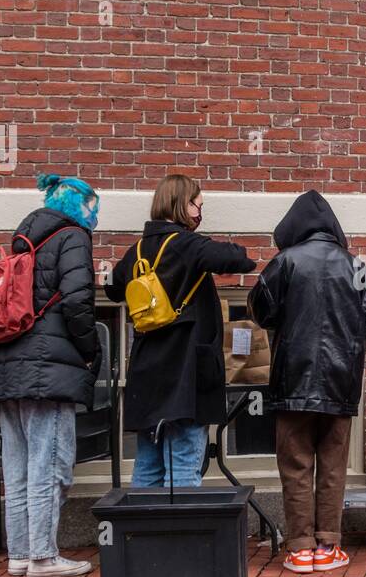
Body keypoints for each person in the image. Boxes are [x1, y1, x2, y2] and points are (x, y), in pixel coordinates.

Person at [248, 191, 366, 575]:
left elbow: (260, 310)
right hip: (341, 382)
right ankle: (328, 545)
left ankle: (299, 548)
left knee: (295, 466)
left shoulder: (284, 263)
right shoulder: (356, 265)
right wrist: (349, 344)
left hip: (291, 381)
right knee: (332, 466)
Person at [105, 174, 255, 487]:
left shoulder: (137, 251)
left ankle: (143, 535)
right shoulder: (187, 245)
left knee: (147, 469)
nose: (200, 213)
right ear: (182, 206)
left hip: (147, 376)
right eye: (198, 205)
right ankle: (180, 536)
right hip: (186, 376)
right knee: (184, 470)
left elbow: (113, 290)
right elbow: (239, 260)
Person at [0, 174, 101, 577]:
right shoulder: (73, 237)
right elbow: (77, 301)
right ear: (82, 207)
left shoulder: (25, 239)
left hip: (9, 367)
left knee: (15, 467)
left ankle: (19, 553)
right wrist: (90, 351)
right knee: (49, 463)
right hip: (49, 370)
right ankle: (43, 555)